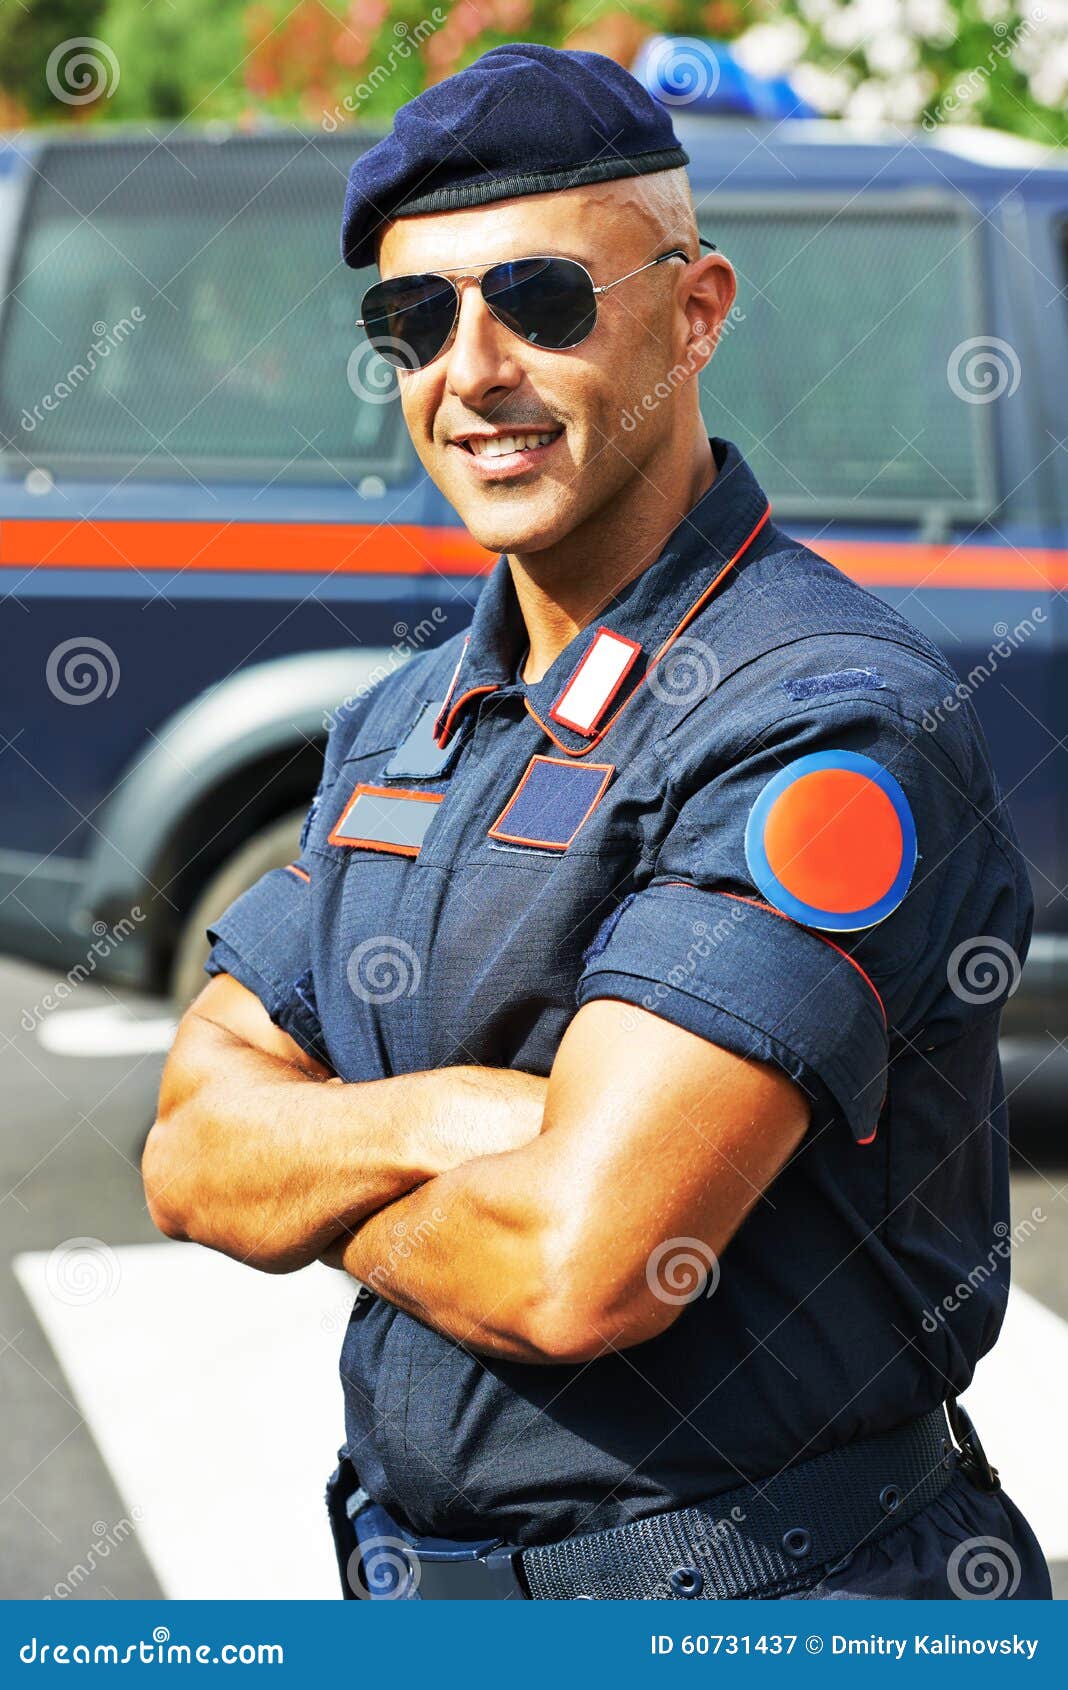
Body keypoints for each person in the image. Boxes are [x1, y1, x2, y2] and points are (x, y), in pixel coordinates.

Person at [143, 42, 1051, 1602]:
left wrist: (316, 1182)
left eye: (541, 299)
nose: (471, 367)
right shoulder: (408, 716)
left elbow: (582, 1261)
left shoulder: (820, 721)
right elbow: (184, 1147)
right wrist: (464, 1119)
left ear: (697, 312)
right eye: (414, 319)